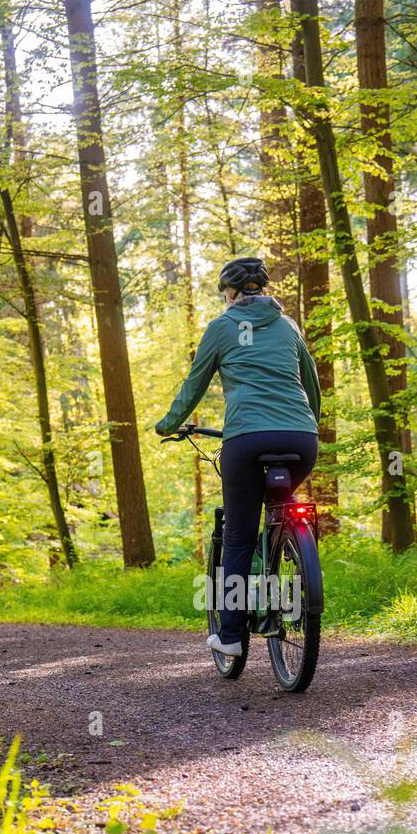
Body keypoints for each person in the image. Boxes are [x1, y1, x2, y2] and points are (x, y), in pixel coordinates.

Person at [155, 257, 320, 657]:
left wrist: (167, 424)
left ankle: (231, 636)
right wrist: (309, 424)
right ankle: (290, 558)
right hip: (301, 438)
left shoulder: (221, 328)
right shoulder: (288, 326)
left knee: (238, 534)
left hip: (246, 439)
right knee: (281, 508)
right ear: (262, 290)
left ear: (229, 293)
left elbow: (194, 384)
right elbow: (311, 384)